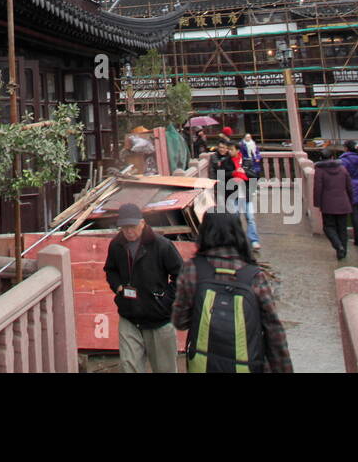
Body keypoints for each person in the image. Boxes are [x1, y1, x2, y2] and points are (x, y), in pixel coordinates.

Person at [171, 211, 292, 373]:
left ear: (204, 232)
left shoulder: (192, 269)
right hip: (246, 364)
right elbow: (274, 330)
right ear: (238, 233)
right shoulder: (254, 275)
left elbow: (180, 321)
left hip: (202, 364)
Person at [103, 203, 184, 373]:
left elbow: (182, 276)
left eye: (132, 227)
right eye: (124, 228)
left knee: (165, 369)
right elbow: (110, 270)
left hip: (159, 319)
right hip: (129, 316)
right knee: (129, 367)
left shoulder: (162, 245)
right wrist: (117, 287)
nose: (128, 231)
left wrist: (164, 300)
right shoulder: (116, 245)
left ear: (142, 223)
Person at [312, 146, 354, 260]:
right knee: (342, 228)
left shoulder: (320, 170)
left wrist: (317, 202)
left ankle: (338, 246)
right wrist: (350, 199)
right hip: (343, 202)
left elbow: (318, 188)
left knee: (328, 227)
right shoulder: (342, 168)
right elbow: (349, 186)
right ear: (332, 157)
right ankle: (343, 251)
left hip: (327, 203)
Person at [238, 133, 263, 250]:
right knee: (235, 218)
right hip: (233, 195)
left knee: (250, 218)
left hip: (246, 194)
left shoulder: (246, 162)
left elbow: (253, 176)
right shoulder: (229, 162)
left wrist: (244, 171)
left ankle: (253, 239)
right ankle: (237, 239)